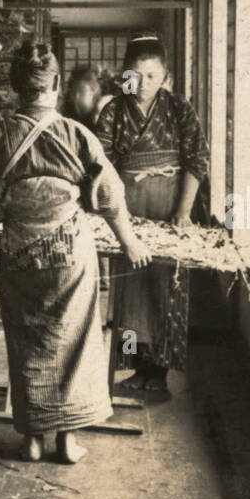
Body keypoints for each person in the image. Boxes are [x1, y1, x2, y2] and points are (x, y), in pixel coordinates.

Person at [0, 39, 149, 464]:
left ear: (14, 87)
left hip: (21, 254)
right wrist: (128, 241)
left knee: (28, 343)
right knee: (75, 342)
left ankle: (32, 440)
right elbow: (110, 195)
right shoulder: (76, 135)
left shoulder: (0, 136)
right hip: (70, 257)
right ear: (57, 84)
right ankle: (67, 441)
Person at [94, 34, 210, 392]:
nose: (143, 84)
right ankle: (133, 365)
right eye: (136, 75)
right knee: (130, 294)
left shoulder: (179, 108)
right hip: (126, 210)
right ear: (124, 75)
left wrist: (183, 212)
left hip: (169, 208)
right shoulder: (114, 111)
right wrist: (111, 215)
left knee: (166, 290)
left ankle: (158, 373)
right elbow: (101, 164)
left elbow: (196, 159)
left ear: (166, 78)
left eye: (152, 76)